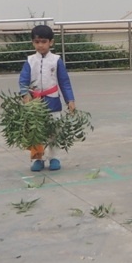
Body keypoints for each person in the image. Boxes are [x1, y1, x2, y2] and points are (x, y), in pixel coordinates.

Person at [19, 24, 76, 172]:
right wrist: (25, 95)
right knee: (36, 131)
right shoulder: (30, 61)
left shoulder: (56, 60)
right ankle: (38, 158)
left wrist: (70, 100)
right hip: (35, 103)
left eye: (44, 42)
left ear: (51, 42)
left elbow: (64, 82)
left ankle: (54, 157)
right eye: (37, 42)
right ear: (33, 43)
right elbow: (23, 81)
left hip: (53, 101)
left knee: (54, 131)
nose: (40, 45)